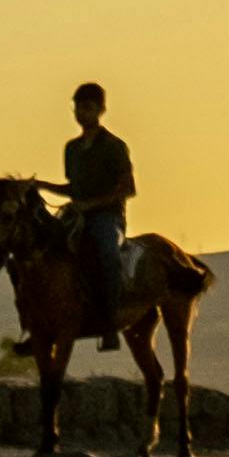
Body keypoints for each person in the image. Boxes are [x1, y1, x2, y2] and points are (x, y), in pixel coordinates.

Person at [58, 80, 137, 327]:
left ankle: (111, 317)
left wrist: (90, 206)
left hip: (107, 217)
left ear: (101, 110)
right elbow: (73, 188)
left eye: (88, 108)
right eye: (79, 108)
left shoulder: (114, 147)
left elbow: (127, 189)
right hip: (77, 214)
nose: (82, 113)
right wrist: (39, 186)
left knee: (108, 253)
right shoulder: (71, 149)